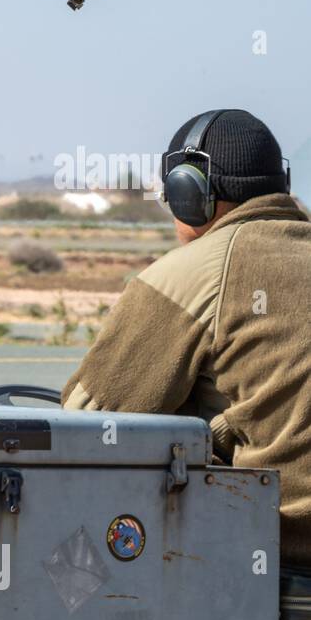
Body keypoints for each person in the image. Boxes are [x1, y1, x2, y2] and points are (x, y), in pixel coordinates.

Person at [62, 109, 311, 566]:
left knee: (67, 566)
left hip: (273, 550)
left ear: (188, 194)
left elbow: (86, 424)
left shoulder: (197, 271)